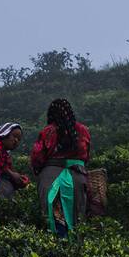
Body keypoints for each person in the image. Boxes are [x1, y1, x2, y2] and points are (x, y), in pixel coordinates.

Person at [30, 99, 91, 237]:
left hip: (50, 177)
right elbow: (86, 156)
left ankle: (56, 246)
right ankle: (76, 248)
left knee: (53, 214)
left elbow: (37, 157)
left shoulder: (48, 131)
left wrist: (37, 171)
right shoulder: (84, 131)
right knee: (77, 214)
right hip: (77, 176)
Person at [0, 122, 30, 200]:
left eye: (19, 139)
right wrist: (12, 174)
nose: (16, 140)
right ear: (4, 134)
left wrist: (20, 179)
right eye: (14, 136)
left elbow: (9, 170)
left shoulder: (5, 155)